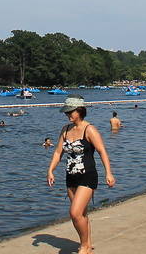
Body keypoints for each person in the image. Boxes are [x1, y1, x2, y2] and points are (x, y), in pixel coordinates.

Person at [46, 96, 115, 254]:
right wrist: (50, 170)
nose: (68, 115)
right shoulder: (65, 129)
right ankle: (88, 243)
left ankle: (84, 246)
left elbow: (102, 151)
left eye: (71, 111)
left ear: (80, 111)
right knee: (82, 213)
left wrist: (109, 173)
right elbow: (58, 152)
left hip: (87, 176)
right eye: (67, 112)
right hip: (71, 177)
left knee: (74, 212)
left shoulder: (89, 129)